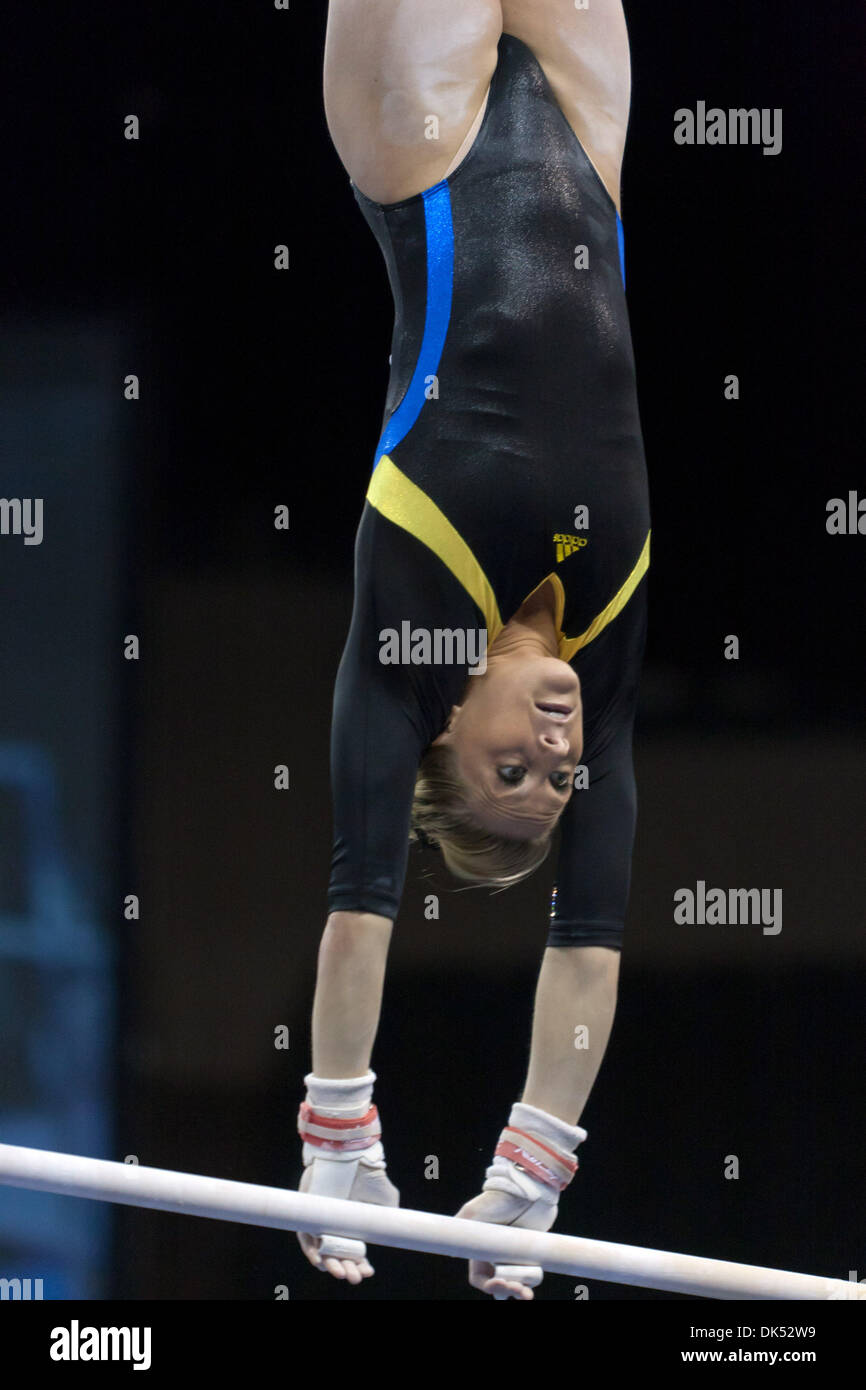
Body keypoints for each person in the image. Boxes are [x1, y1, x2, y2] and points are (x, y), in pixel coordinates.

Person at [297, 0, 650, 1300]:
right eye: (562, 784)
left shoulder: (407, 638)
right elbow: (590, 938)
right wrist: (538, 1160)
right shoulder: (604, 654)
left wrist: (338, 1119)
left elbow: (359, 905)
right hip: (586, 139)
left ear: (443, 733)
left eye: (518, 775)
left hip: (421, 148)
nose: (557, 757)